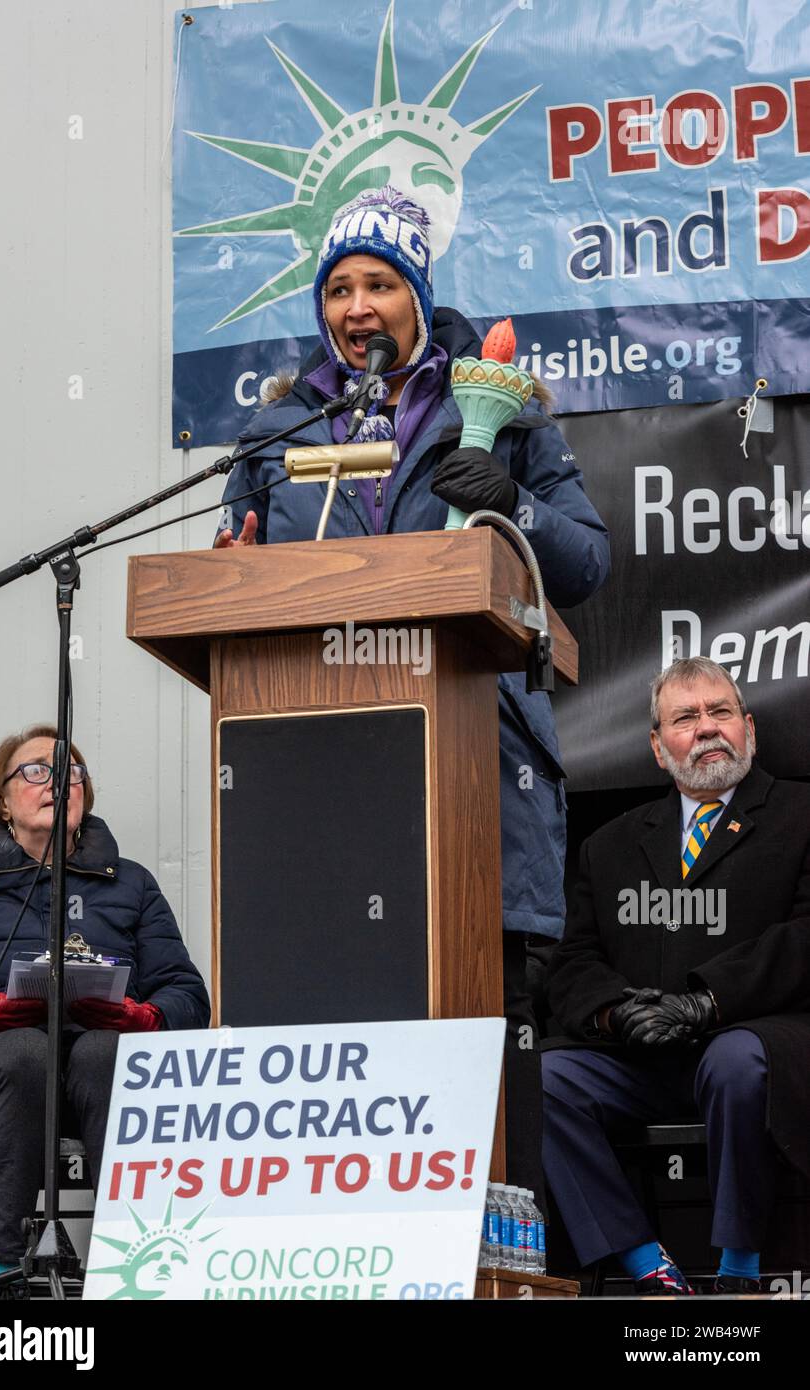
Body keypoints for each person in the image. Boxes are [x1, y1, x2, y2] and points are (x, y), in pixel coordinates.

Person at [214, 186, 610, 1198]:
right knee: (339, 1045)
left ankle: (499, 1261)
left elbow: (587, 565)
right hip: (316, 796)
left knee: (487, 1069)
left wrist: (512, 499)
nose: (356, 308)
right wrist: (235, 565)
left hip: (482, 779)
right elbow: (235, 564)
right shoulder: (280, 427)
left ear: (419, 296)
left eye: (379, 284)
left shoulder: (503, 408)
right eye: (338, 288)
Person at [542, 656, 810, 1294]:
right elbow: (572, 962)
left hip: (756, 1042)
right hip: (646, 1057)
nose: (708, 728)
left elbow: (804, 935)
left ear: (750, 729)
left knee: (737, 1061)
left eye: (721, 712)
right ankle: (646, 1266)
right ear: (660, 750)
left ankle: (738, 1273)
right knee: (544, 1077)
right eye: (686, 718)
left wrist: (709, 1000)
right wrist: (616, 1014)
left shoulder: (802, 812)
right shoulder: (608, 844)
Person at [0, 725, 211, 1289]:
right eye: (36, 771)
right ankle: (5, 1272)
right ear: (2, 800)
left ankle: (139, 1269)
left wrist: (146, 1018)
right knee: (22, 1051)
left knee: (105, 1051)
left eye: (70, 772)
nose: (56, 782)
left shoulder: (132, 884)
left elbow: (187, 995)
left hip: (97, 1074)